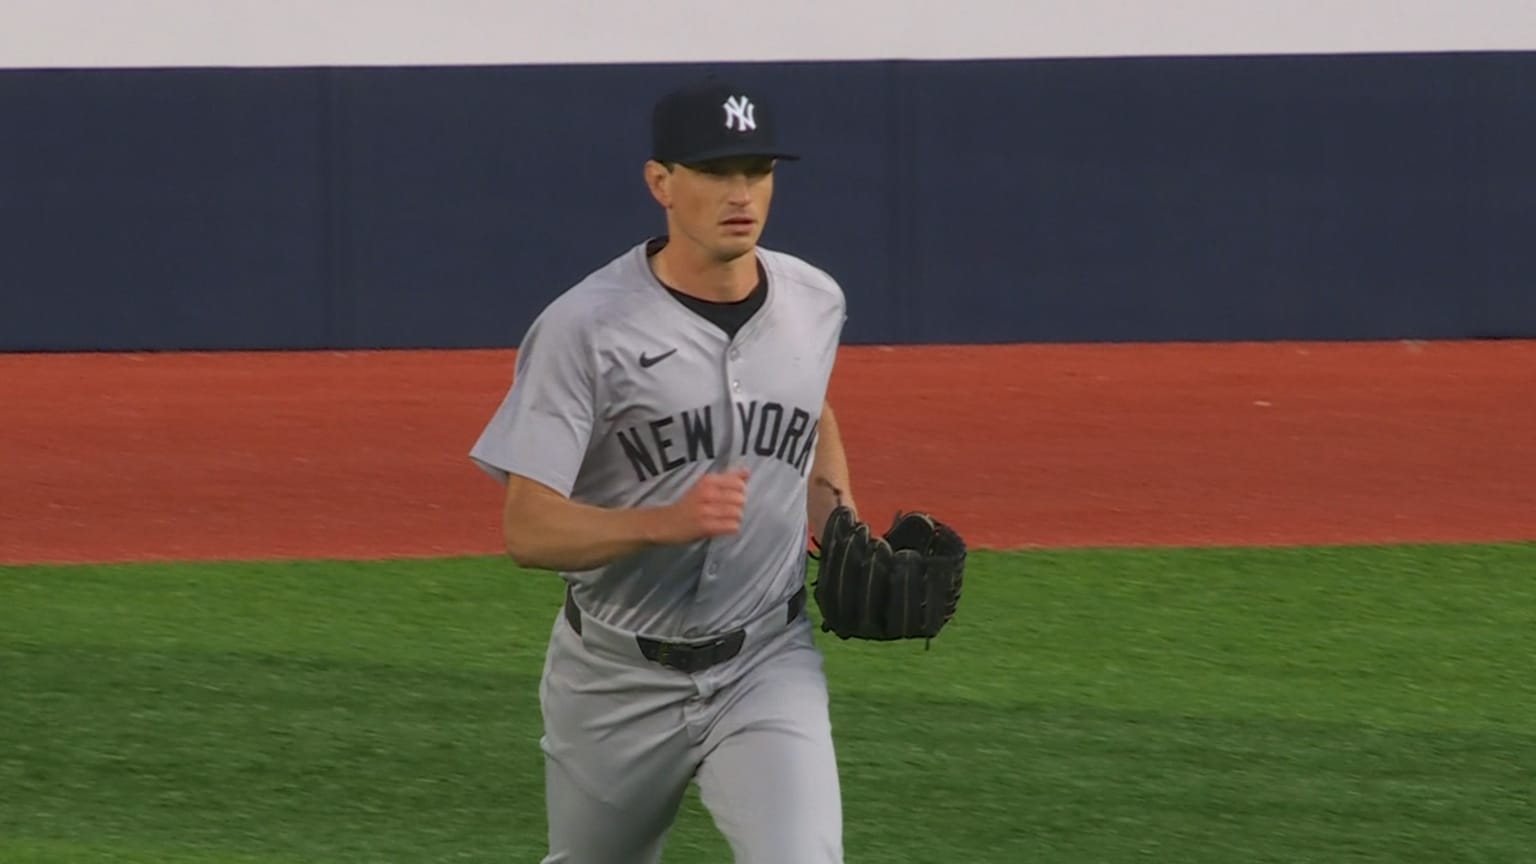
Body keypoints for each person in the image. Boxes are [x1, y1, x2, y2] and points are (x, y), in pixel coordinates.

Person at [469, 75, 856, 864]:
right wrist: (661, 524)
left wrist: (841, 521)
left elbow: (811, 409)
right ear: (661, 183)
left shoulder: (815, 301)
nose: (741, 191)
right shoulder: (582, 329)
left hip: (766, 662)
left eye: (758, 170)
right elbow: (528, 526)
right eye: (715, 171)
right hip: (613, 676)